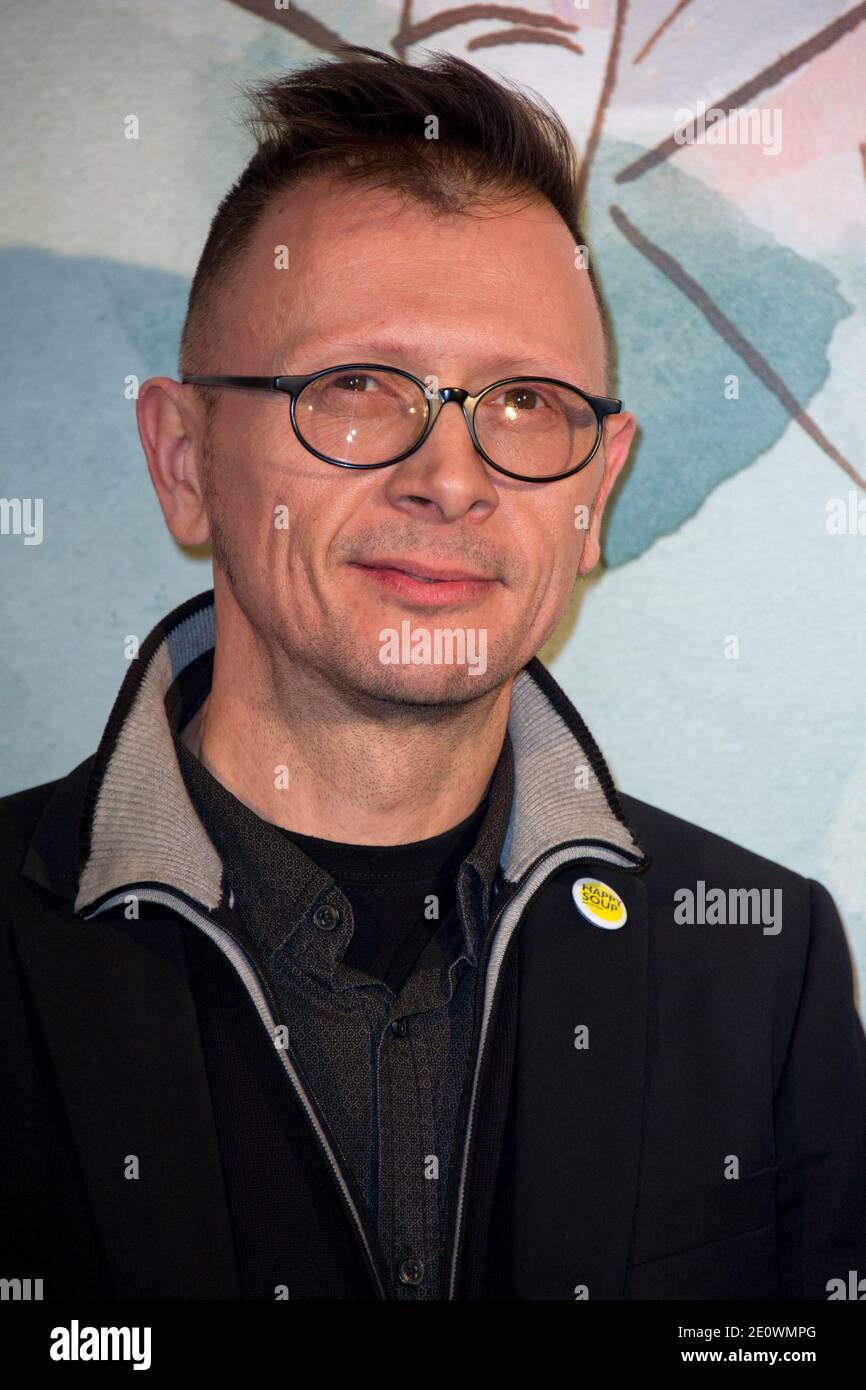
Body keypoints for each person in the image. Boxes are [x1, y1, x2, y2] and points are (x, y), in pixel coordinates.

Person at [2, 45, 864, 1302]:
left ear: (594, 490)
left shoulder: (761, 965)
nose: (450, 478)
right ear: (183, 458)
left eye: (521, 402)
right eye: (355, 388)